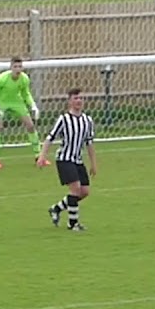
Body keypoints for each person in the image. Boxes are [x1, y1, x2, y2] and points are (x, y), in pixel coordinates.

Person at [38, 89, 97, 231]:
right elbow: (50, 138)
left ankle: (56, 209)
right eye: (76, 98)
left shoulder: (87, 120)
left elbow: (89, 143)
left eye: (81, 98)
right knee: (75, 188)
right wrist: (42, 155)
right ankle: (73, 223)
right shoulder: (64, 119)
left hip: (77, 160)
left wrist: (93, 163)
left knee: (84, 191)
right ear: (69, 101)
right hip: (64, 159)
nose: (79, 101)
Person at [0, 57, 41, 169]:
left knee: (30, 125)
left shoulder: (24, 79)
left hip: (16, 103)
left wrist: (33, 106)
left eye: (20, 67)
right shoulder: (2, 78)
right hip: (1, 102)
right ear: (11, 67)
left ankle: (38, 156)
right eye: (15, 67)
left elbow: (25, 93)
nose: (18, 69)